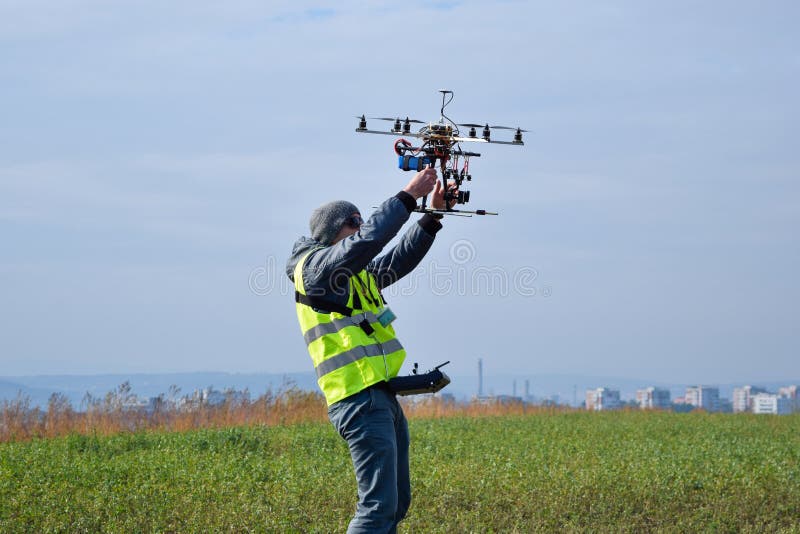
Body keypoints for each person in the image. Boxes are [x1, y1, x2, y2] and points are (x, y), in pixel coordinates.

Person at [285, 167, 452, 533]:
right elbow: (369, 242)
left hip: (381, 397)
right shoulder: (315, 271)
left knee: (396, 503)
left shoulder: (353, 275)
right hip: (357, 400)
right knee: (377, 508)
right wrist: (407, 197)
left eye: (362, 219)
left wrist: (432, 215)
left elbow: (396, 260)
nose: (360, 227)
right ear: (332, 234)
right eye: (352, 221)